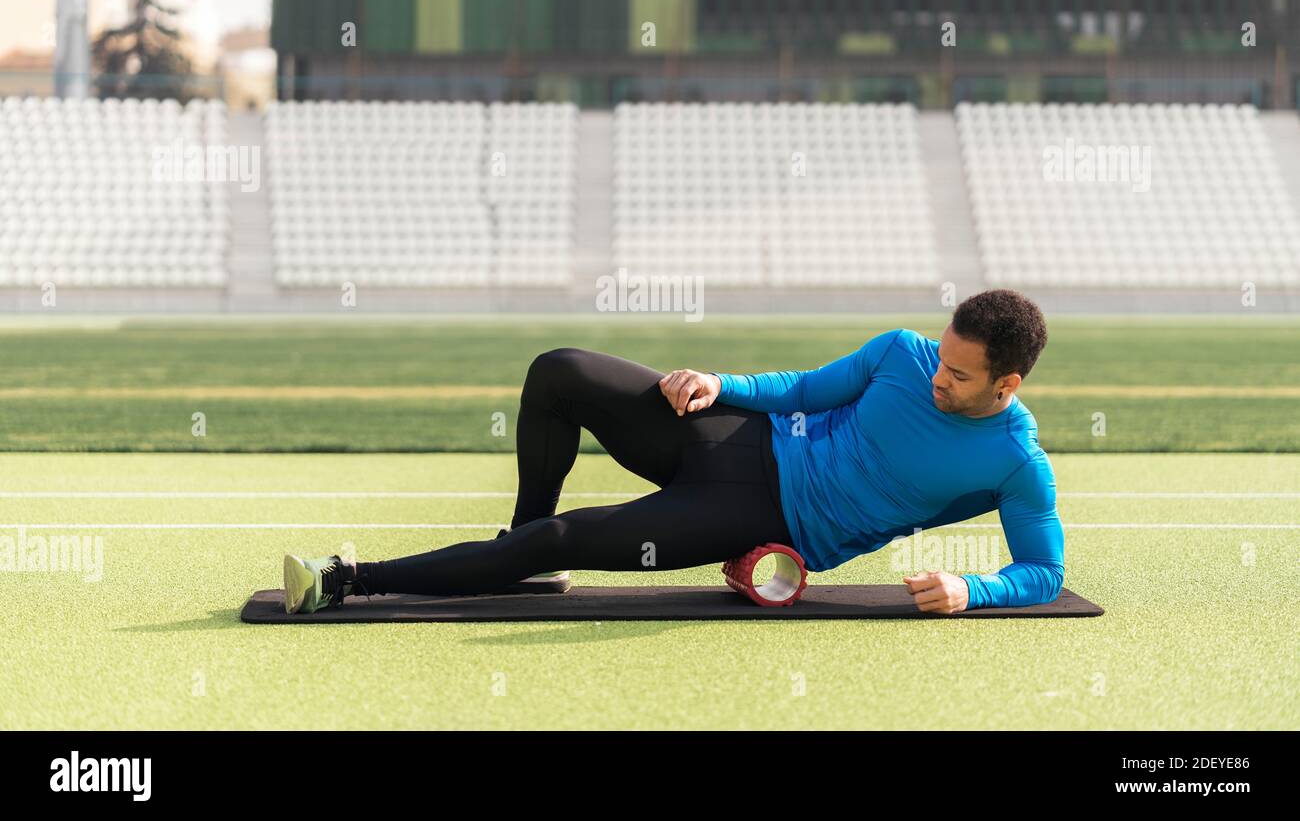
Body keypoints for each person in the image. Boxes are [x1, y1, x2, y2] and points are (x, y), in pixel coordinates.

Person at [282, 288, 1063, 616]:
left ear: (1008, 382)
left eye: (959, 375)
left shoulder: (1015, 462)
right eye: (943, 358)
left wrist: (971, 589)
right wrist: (721, 381)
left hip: (755, 512)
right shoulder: (904, 353)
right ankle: (522, 556)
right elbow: (803, 388)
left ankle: (347, 581)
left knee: (571, 535)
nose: (939, 378)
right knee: (559, 372)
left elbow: (1046, 572)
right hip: (741, 435)